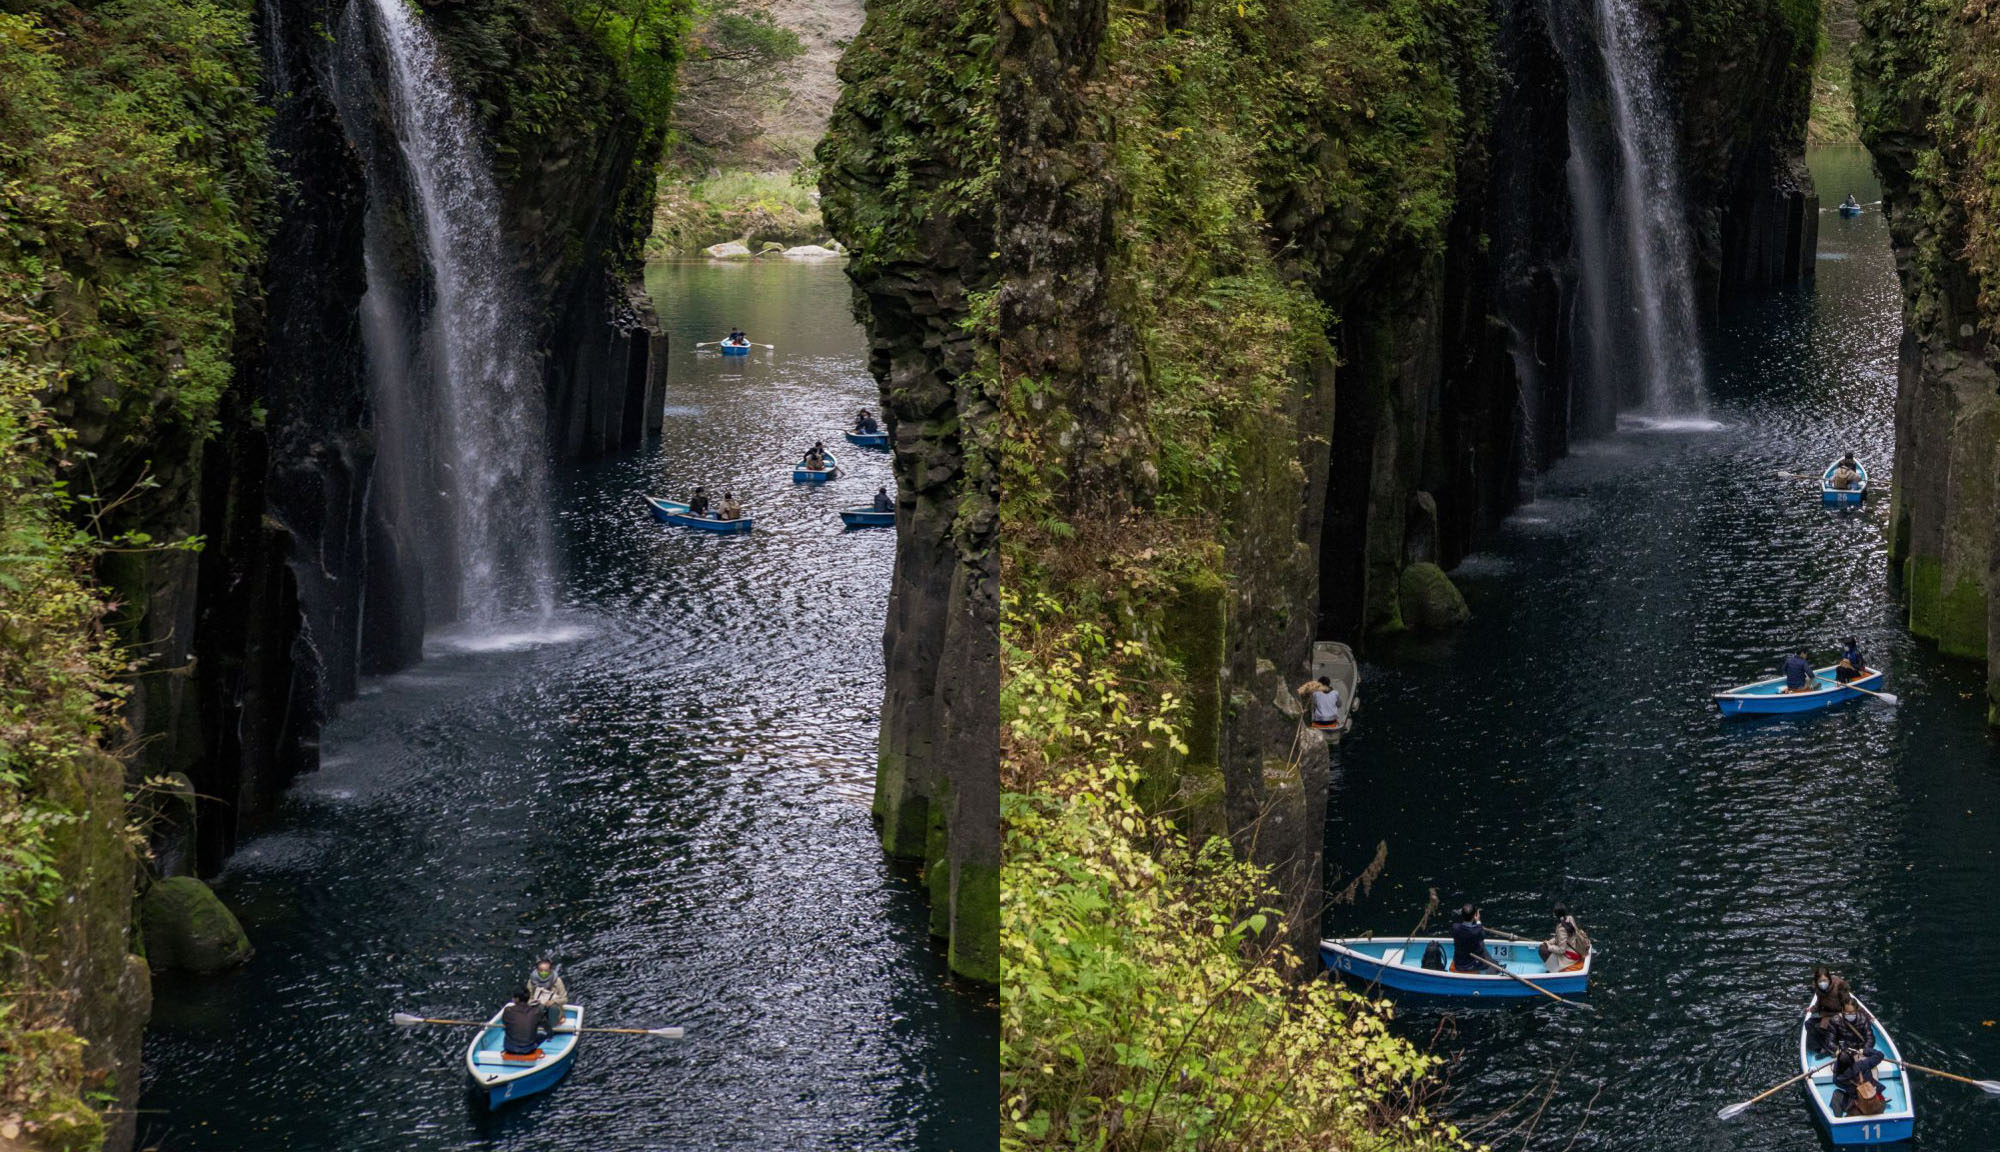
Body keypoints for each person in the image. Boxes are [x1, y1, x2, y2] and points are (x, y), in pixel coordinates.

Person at [1831, 1044, 1889, 1118]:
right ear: (1852, 1059)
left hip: (1859, 1110)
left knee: (1836, 1094)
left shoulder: (1839, 1079)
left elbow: (1835, 1077)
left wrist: (1837, 1059)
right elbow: (1880, 1055)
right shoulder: (1863, 1064)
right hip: (1878, 1105)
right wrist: (1864, 1051)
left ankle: (1838, 1119)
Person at [1806, 965, 1851, 1056]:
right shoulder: (1819, 990)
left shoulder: (1839, 987)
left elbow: (1849, 1003)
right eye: (1820, 981)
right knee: (1809, 1023)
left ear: (1829, 979)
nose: (1822, 983)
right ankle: (1820, 1048)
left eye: (1824, 980)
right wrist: (1812, 1009)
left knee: (1820, 1028)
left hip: (1840, 1015)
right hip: (1828, 1015)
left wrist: (1867, 1016)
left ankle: (1831, 1049)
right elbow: (1819, 1003)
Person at [1537, 903, 1589, 972]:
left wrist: (1549, 947)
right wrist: (1549, 942)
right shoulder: (1570, 918)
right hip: (1576, 949)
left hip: (1571, 956)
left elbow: (1561, 950)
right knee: (1545, 945)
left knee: (1542, 949)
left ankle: (1554, 970)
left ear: (1556, 915)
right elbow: (1563, 938)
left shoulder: (1562, 929)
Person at [500, 985, 548, 1056]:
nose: (512, 999)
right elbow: (546, 1026)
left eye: (513, 997)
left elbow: (505, 1023)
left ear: (517, 999)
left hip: (510, 1048)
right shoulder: (536, 1012)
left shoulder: (508, 1010)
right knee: (544, 1034)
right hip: (529, 1049)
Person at [527, 958, 568, 1032]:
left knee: (553, 1008)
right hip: (538, 1007)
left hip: (553, 1008)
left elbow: (564, 999)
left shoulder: (557, 981)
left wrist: (554, 1001)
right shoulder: (531, 982)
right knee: (539, 1008)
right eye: (541, 970)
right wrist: (535, 1002)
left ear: (550, 970)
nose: (543, 972)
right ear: (537, 970)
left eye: (546, 971)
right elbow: (528, 999)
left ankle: (552, 1027)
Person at [1449, 903, 1490, 973]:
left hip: (1459, 963)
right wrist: (1478, 921)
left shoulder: (1455, 927)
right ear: (1475, 915)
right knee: (1481, 944)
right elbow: (1482, 935)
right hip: (1471, 965)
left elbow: (1462, 927)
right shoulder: (1477, 930)